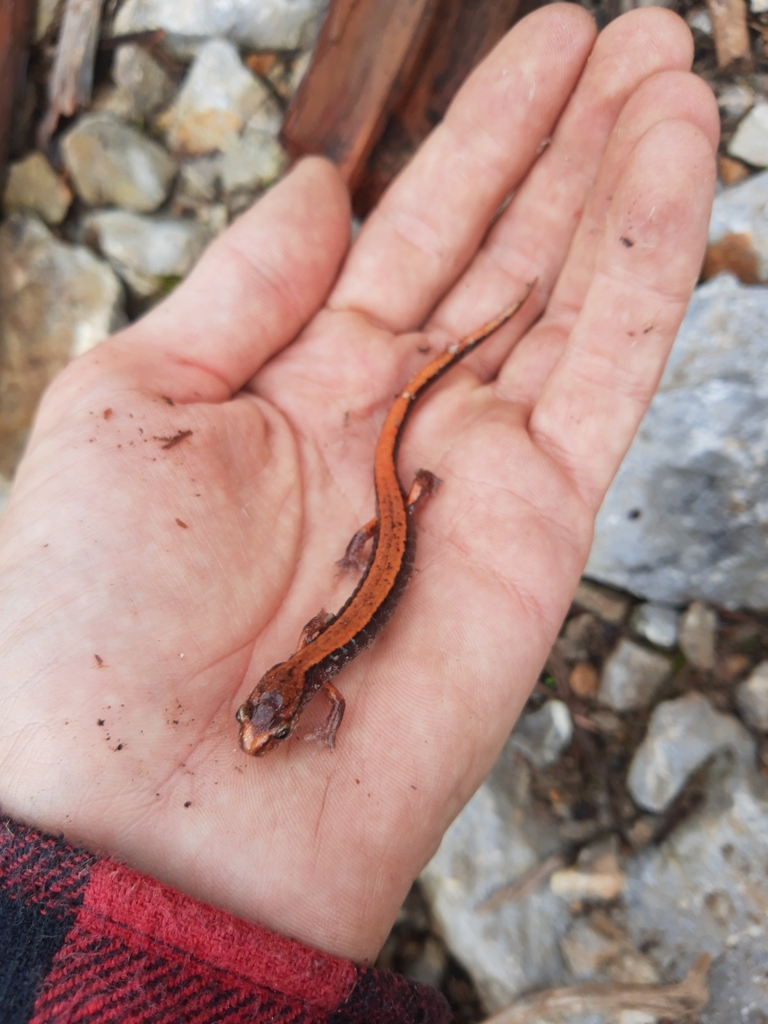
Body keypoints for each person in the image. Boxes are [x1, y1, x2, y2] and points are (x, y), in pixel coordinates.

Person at [0, 4, 717, 1020]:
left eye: (274, 723)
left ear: (284, 695)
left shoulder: (315, 673)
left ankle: (417, 469)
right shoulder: (305, 663)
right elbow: (316, 656)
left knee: (405, 482)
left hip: (390, 537)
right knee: (395, 484)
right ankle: (413, 466)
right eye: (273, 726)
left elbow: (327, 679)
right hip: (374, 550)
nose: (266, 732)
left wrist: (363, 592)